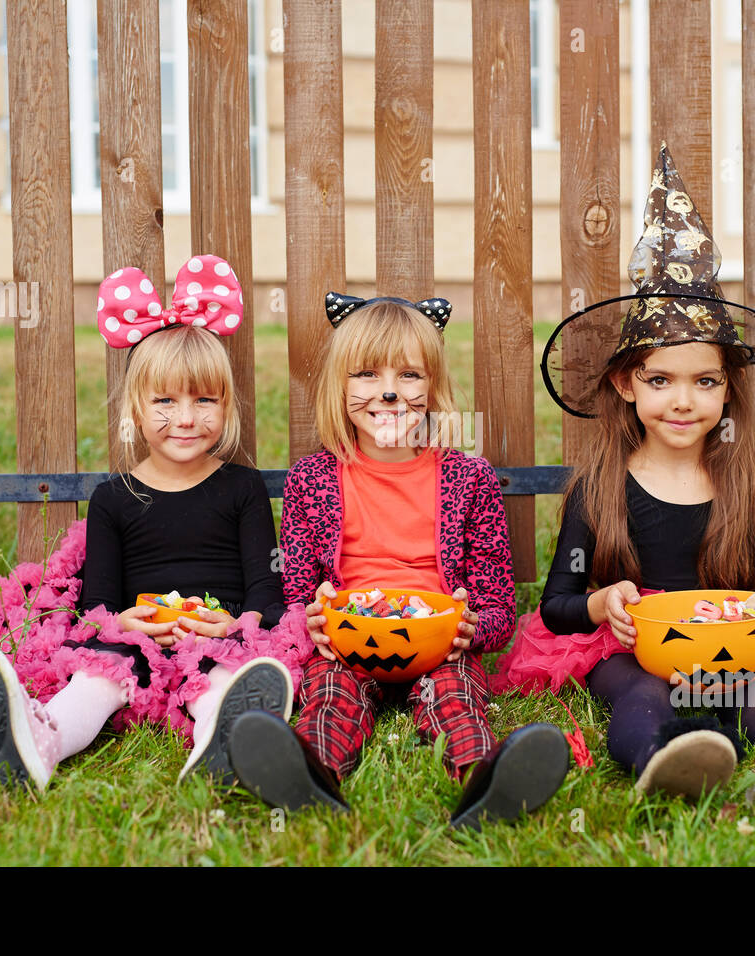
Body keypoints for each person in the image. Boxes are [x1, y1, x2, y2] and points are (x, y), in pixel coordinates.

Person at [497, 143, 755, 799]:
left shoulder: (752, 482)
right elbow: (556, 608)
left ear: (728, 389)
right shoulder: (600, 487)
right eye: (660, 380)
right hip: (632, 645)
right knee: (638, 691)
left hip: (728, 640)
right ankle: (665, 757)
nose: (683, 400)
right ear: (625, 384)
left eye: (704, 381)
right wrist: (605, 602)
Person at [0, 255, 310, 791]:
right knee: (95, 676)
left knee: (228, 678)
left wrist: (231, 625)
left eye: (204, 401)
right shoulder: (113, 498)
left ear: (226, 406)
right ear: (136, 409)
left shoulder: (243, 488)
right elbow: (96, 607)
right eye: (165, 401)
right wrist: (130, 624)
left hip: (219, 636)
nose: (185, 418)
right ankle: (40, 741)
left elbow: (265, 592)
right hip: (135, 641)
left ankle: (224, 744)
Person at [226, 292, 570, 829]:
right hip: (350, 639)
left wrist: (471, 628)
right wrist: (310, 620)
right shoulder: (313, 480)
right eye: (366, 374)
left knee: (456, 696)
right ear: (340, 387)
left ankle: (490, 781)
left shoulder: (469, 479)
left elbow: (498, 603)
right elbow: (295, 594)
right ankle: (306, 773)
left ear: (432, 387)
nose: (388, 392)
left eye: (409, 375)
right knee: (331, 695)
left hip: (436, 639)